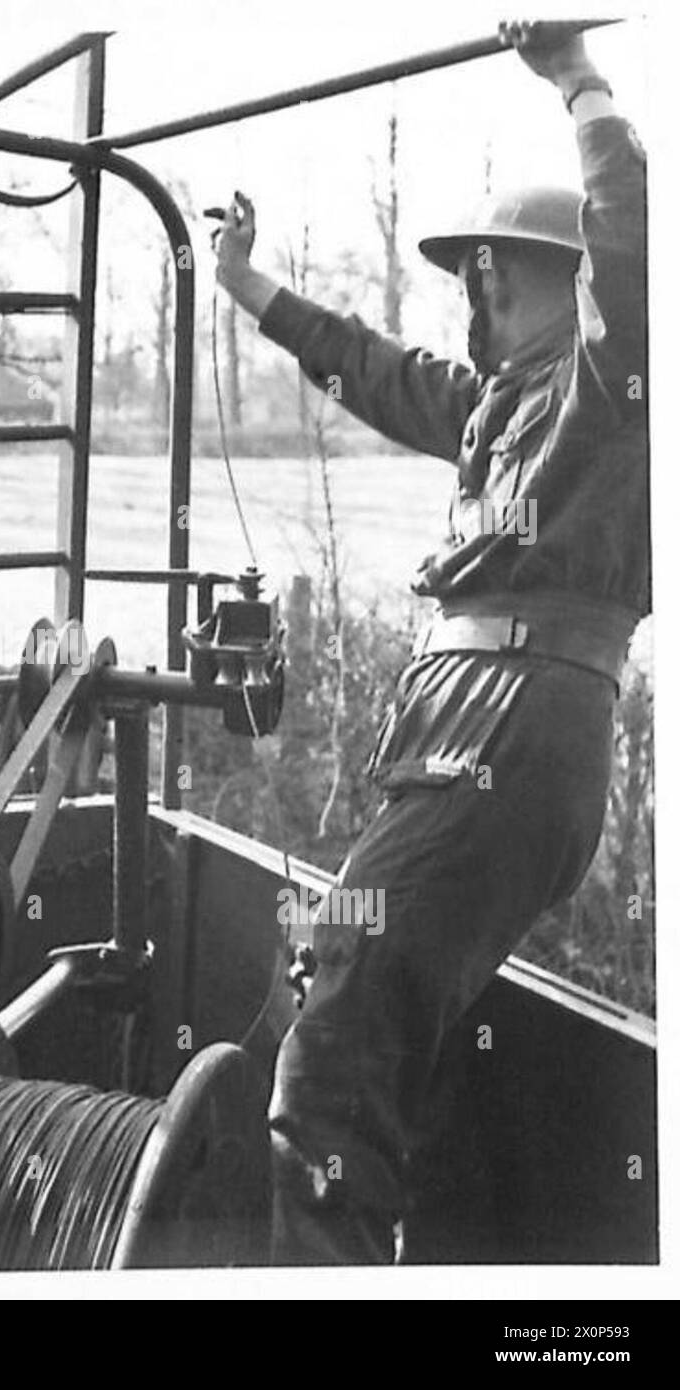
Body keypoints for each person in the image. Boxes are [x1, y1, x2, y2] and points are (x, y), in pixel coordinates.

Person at [214, 22, 647, 1262]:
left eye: (499, 265)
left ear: (565, 277)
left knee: (344, 980)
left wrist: (575, 79)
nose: (477, 287)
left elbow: (632, 243)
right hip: (455, 727)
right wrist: (250, 289)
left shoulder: (611, 394)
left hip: (521, 722)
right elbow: (370, 367)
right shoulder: (496, 408)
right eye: (472, 270)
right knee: (359, 984)